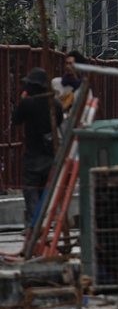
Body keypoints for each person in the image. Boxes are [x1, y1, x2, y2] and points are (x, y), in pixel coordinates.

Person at [13, 68, 63, 229]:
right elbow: (60, 120)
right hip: (50, 154)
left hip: (33, 154)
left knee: (31, 189)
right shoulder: (54, 103)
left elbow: (16, 119)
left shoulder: (29, 103)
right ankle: (42, 221)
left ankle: (35, 222)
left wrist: (22, 100)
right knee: (44, 190)